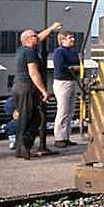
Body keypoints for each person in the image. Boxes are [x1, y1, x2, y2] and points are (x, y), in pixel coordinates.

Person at [12, 23, 61, 159]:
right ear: (28, 39)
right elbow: (34, 73)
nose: (37, 37)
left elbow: (39, 37)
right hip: (26, 87)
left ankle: (21, 148)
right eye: (34, 35)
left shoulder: (22, 50)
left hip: (18, 87)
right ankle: (24, 146)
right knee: (30, 118)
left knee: (27, 117)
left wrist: (51, 29)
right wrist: (44, 91)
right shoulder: (30, 52)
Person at [52, 31, 81, 147]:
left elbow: (78, 65)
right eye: (70, 38)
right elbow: (60, 67)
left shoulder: (73, 52)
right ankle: (59, 138)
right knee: (63, 110)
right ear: (62, 40)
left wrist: (74, 68)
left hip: (72, 81)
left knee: (70, 111)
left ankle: (66, 137)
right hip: (62, 82)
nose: (73, 39)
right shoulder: (59, 52)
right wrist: (73, 68)